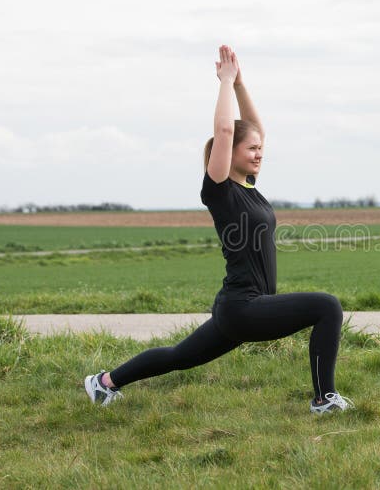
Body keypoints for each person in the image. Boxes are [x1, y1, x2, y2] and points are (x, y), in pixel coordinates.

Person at [84, 44, 353, 414]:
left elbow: (255, 130)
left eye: (260, 148)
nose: (259, 152)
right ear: (229, 153)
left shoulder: (249, 187)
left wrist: (240, 83)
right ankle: (325, 400)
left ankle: (104, 383)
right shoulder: (220, 191)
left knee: (178, 356)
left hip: (241, 308)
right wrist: (225, 81)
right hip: (243, 307)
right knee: (327, 306)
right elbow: (226, 129)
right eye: (251, 149)